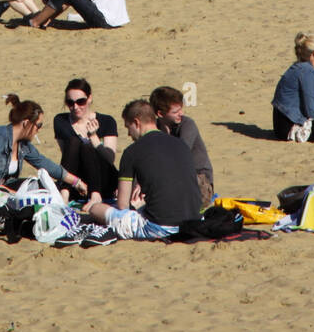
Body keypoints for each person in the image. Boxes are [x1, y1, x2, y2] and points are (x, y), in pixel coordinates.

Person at [83, 99, 205, 239]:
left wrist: (135, 205)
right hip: (196, 221)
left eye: (128, 127)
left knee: (96, 208)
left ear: (136, 122)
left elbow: (123, 205)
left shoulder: (132, 151)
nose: (129, 134)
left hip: (161, 227)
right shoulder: (180, 144)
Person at [0, 94, 86, 195]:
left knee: (43, 186)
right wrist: (1, 188)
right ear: (26, 123)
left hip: (3, 188)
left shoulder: (23, 145)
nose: (39, 130)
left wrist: (76, 182)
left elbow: (44, 163)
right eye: (38, 125)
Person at [53, 79, 119, 201]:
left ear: (89, 99)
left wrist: (94, 138)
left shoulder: (106, 121)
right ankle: (64, 195)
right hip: (78, 180)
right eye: (70, 102)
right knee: (73, 142)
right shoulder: (60, 121)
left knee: (87, 146)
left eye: (81, 101)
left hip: (103, 177)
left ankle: (95, 196)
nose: (75, 107)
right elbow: (67, 156)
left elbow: (110, 159)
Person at [149, 86, 214, 209]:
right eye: (175, 112)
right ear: (160, 114)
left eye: (180, 109)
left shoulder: (187, 125)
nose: (181, 114)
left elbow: (179, 155)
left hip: (198, 179)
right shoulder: (155, 128)